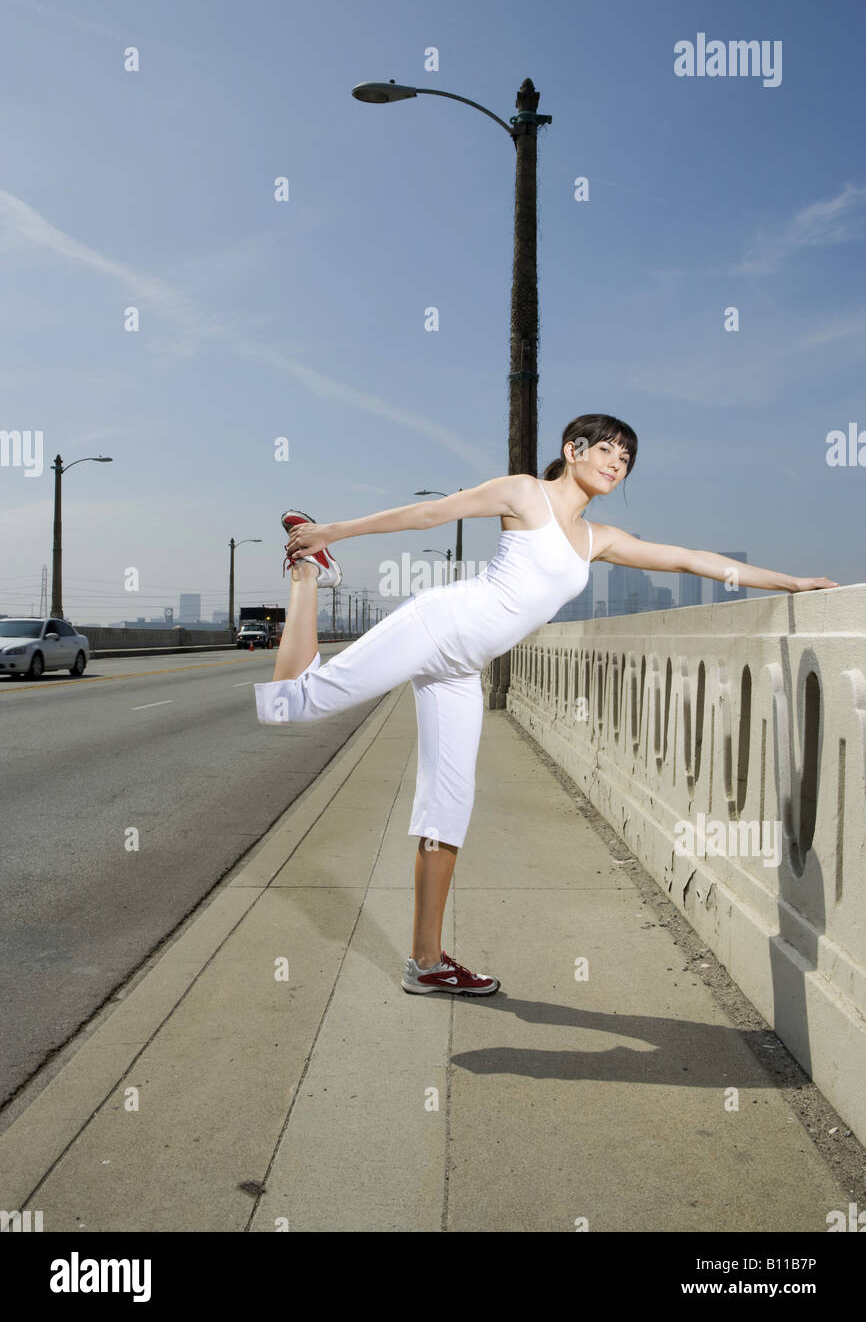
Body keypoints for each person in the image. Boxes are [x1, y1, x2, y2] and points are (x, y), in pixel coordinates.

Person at [253, 413, 838, 997]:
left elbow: (690, 558)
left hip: (461, 669)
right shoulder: (524, 493)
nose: (617, 464)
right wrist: (331, 532)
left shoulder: (596, 539)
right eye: (608, 450)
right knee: (291, 706)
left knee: (448, 810)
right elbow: (428, 514)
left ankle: (426, 963)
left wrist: (790, 583)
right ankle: (306, 573)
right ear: (573, 449)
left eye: (627, 460)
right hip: (437, 625)